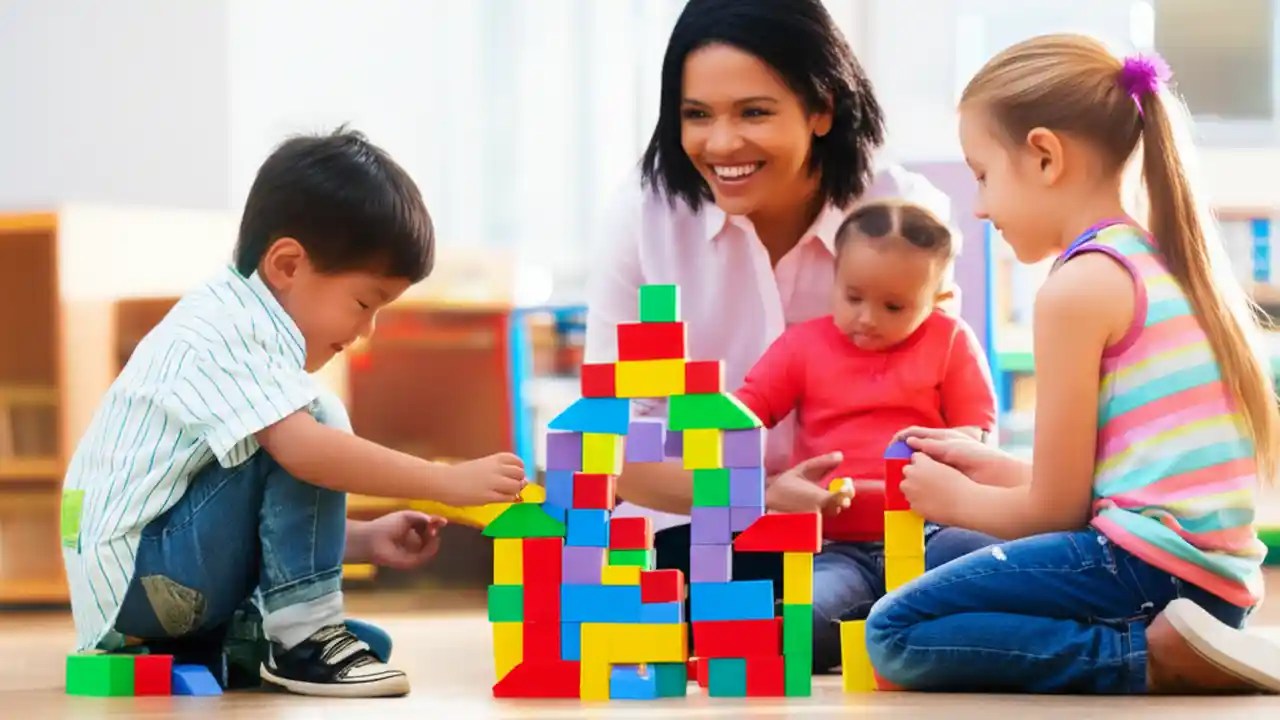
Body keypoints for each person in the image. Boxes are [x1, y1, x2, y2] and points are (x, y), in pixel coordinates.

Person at [583, 0, 998, 673]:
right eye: (696, 115)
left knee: (999, 568)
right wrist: (756, 494)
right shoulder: (644, 220)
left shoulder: (898, 214)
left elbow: (951, 390)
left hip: (893, 524)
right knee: (727, 613)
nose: (720, 144)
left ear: (821, 108)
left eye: (753, 112)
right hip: (708, 523)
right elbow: (617, 450)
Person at [865, 35, 1280, 694]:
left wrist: (958, 498)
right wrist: (992, 469)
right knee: (943, 551)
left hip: (1149, 575)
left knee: (891, 633)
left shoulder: (1078, 288)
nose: (978, 206)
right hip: (1206, 584)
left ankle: (1145, 658)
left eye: (982, 174)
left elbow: (1056, 512)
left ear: (1044, 156)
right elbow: (1112, 480)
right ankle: (1174, 643)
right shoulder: (1156, 260)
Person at [60, 128, 527, 698]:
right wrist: (446, 480)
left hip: (147, 584)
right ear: (287, 263)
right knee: (316, 421)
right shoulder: (224, 332)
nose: (364, 332)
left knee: (303, 431)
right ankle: (303, 638)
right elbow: (308, 455)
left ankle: (270, 636)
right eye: (363, 304)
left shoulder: (239, 319)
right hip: (146, 580)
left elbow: (245, 506)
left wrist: (358, 539)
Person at [735, 199, 997, 541]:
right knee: (822, 595)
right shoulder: (802, 345)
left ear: (937, 300)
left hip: (930, 528)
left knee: (985, 560)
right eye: (854, 297)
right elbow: (745, 410)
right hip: (829, 536)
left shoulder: (950, 340)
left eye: (893, 306)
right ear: (835, 279)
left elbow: (973, 436)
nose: (868, 319)